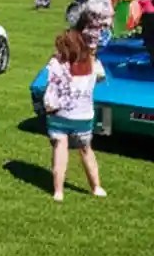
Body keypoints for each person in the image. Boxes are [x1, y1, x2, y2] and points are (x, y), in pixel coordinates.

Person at [41, 29, 107, 202]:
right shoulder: (92, 62)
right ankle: (96, 187)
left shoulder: (56, 62)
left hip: (58, 114)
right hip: (83, 116)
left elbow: (49, 80)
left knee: (59, 149)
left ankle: (58, 191)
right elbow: (101, 78)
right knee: (86, 150)